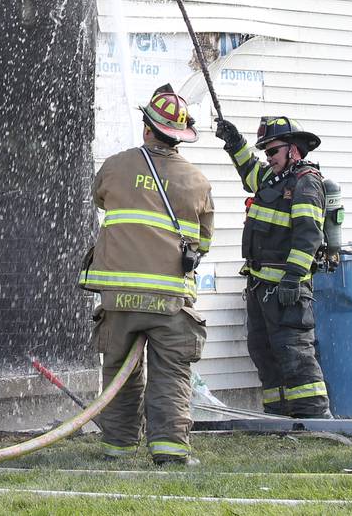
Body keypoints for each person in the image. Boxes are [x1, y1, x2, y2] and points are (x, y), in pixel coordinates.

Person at [80, 85, 214, 466]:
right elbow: (203, 244)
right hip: (170, 302)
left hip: (119, 298)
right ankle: (171, 451)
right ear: (179, 136)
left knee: (120, 372)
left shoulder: (114, 167)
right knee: (170, 373)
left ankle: (117, 447)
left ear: (146, 129)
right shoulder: (199, 182)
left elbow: (100, 199)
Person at [216, 115, 333, 418]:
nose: (268, 158)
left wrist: (293, 278)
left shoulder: (306, 183)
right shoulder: (273, 178)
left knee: (293, 352)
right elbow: (248, 171)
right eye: (265, 152)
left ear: (293, 150)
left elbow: (308, 234)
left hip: (286, 288)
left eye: (273, 151)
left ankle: (314, 417)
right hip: (259, 284)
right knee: (264, 351)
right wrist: (234, 143)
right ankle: (278, 415)